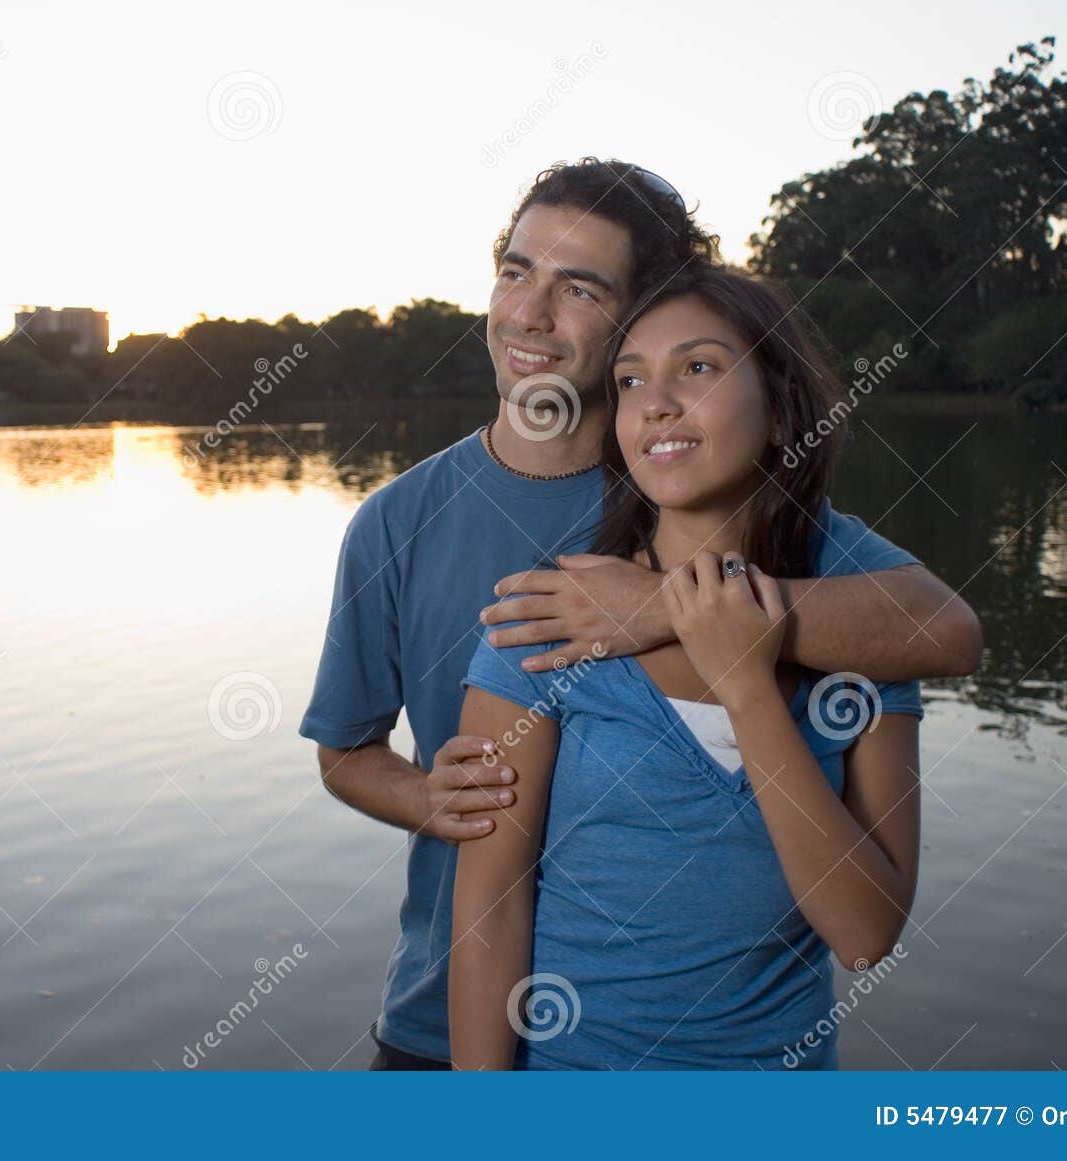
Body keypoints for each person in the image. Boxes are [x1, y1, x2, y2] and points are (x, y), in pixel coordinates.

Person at [299, 158, 981, 1070]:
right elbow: (345, 754)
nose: (530, 314)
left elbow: (940, 630)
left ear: (651, 312)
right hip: (451, 1018)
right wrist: (431, 797)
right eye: (515, 271)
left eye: (577, 287)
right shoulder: (395, 521)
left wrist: (660, 606)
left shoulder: (708, 484)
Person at [450, 266, 926, 1069]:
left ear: (780, 408)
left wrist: (749, 687)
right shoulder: (544, 623)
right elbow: (491, 915)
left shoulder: (861, 639)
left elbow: (866, 933)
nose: (657, 401)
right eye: (631, 379)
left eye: (698, 368)